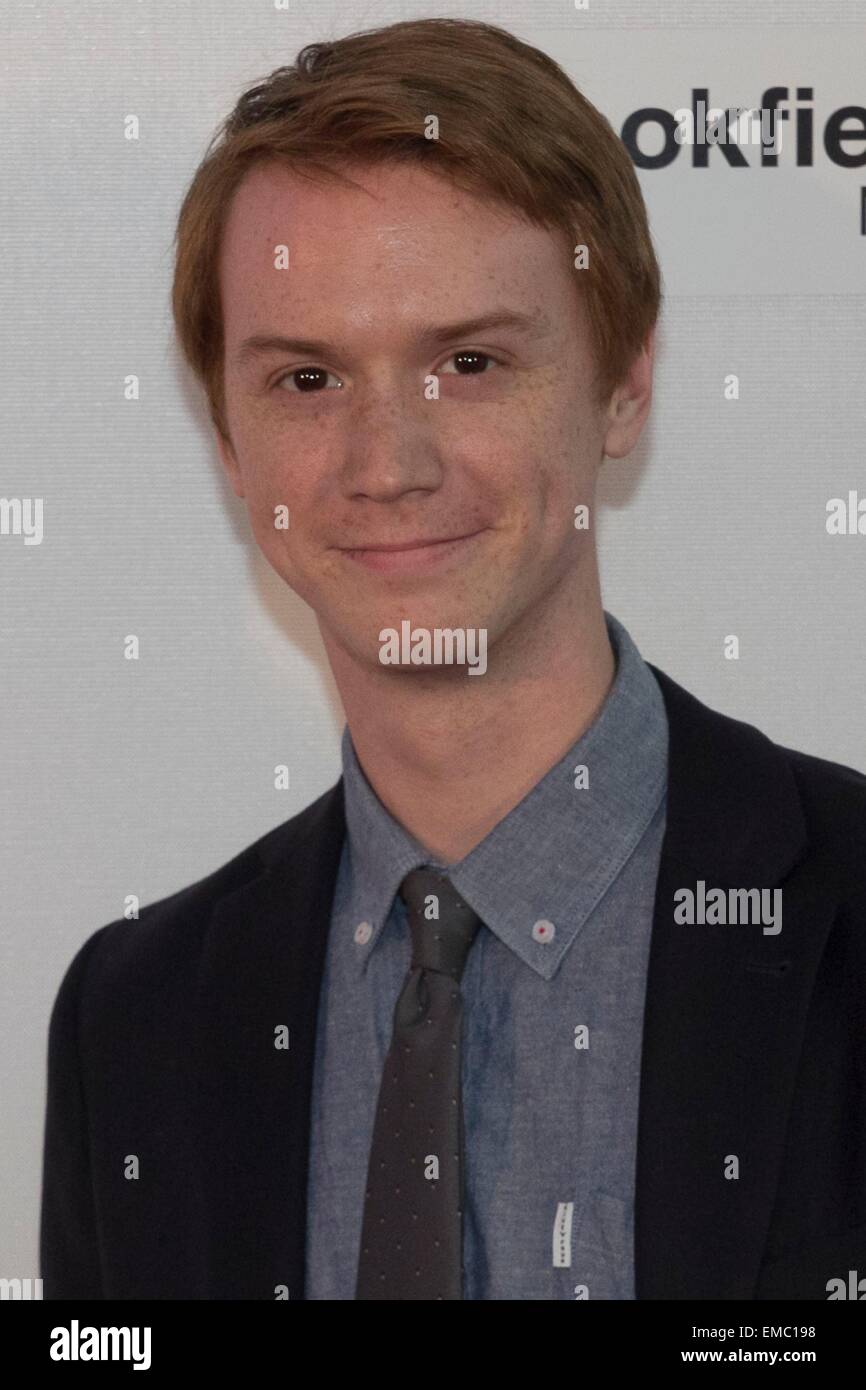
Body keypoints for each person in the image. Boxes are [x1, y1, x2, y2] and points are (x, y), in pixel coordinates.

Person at [40, 17, 866, 1301]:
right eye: (307, 379)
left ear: (624, 382)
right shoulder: (136, 1022)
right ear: (227, 441)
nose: (387, 464)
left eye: (467, 362)